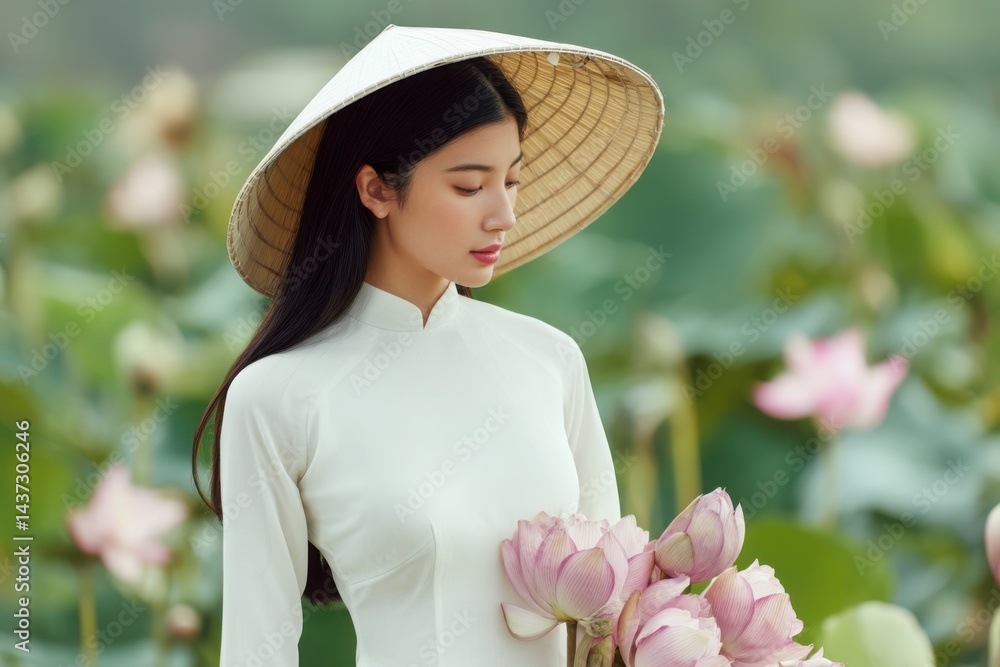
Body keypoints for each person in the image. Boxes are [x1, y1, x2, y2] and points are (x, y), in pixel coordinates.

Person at [191, 23, 663, 666]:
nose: (503, 214)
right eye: (469, 187)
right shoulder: (279, 398)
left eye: (512, 181)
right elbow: (258, 649)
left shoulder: (549, 361)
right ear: (376, 189)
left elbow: (617, 612)